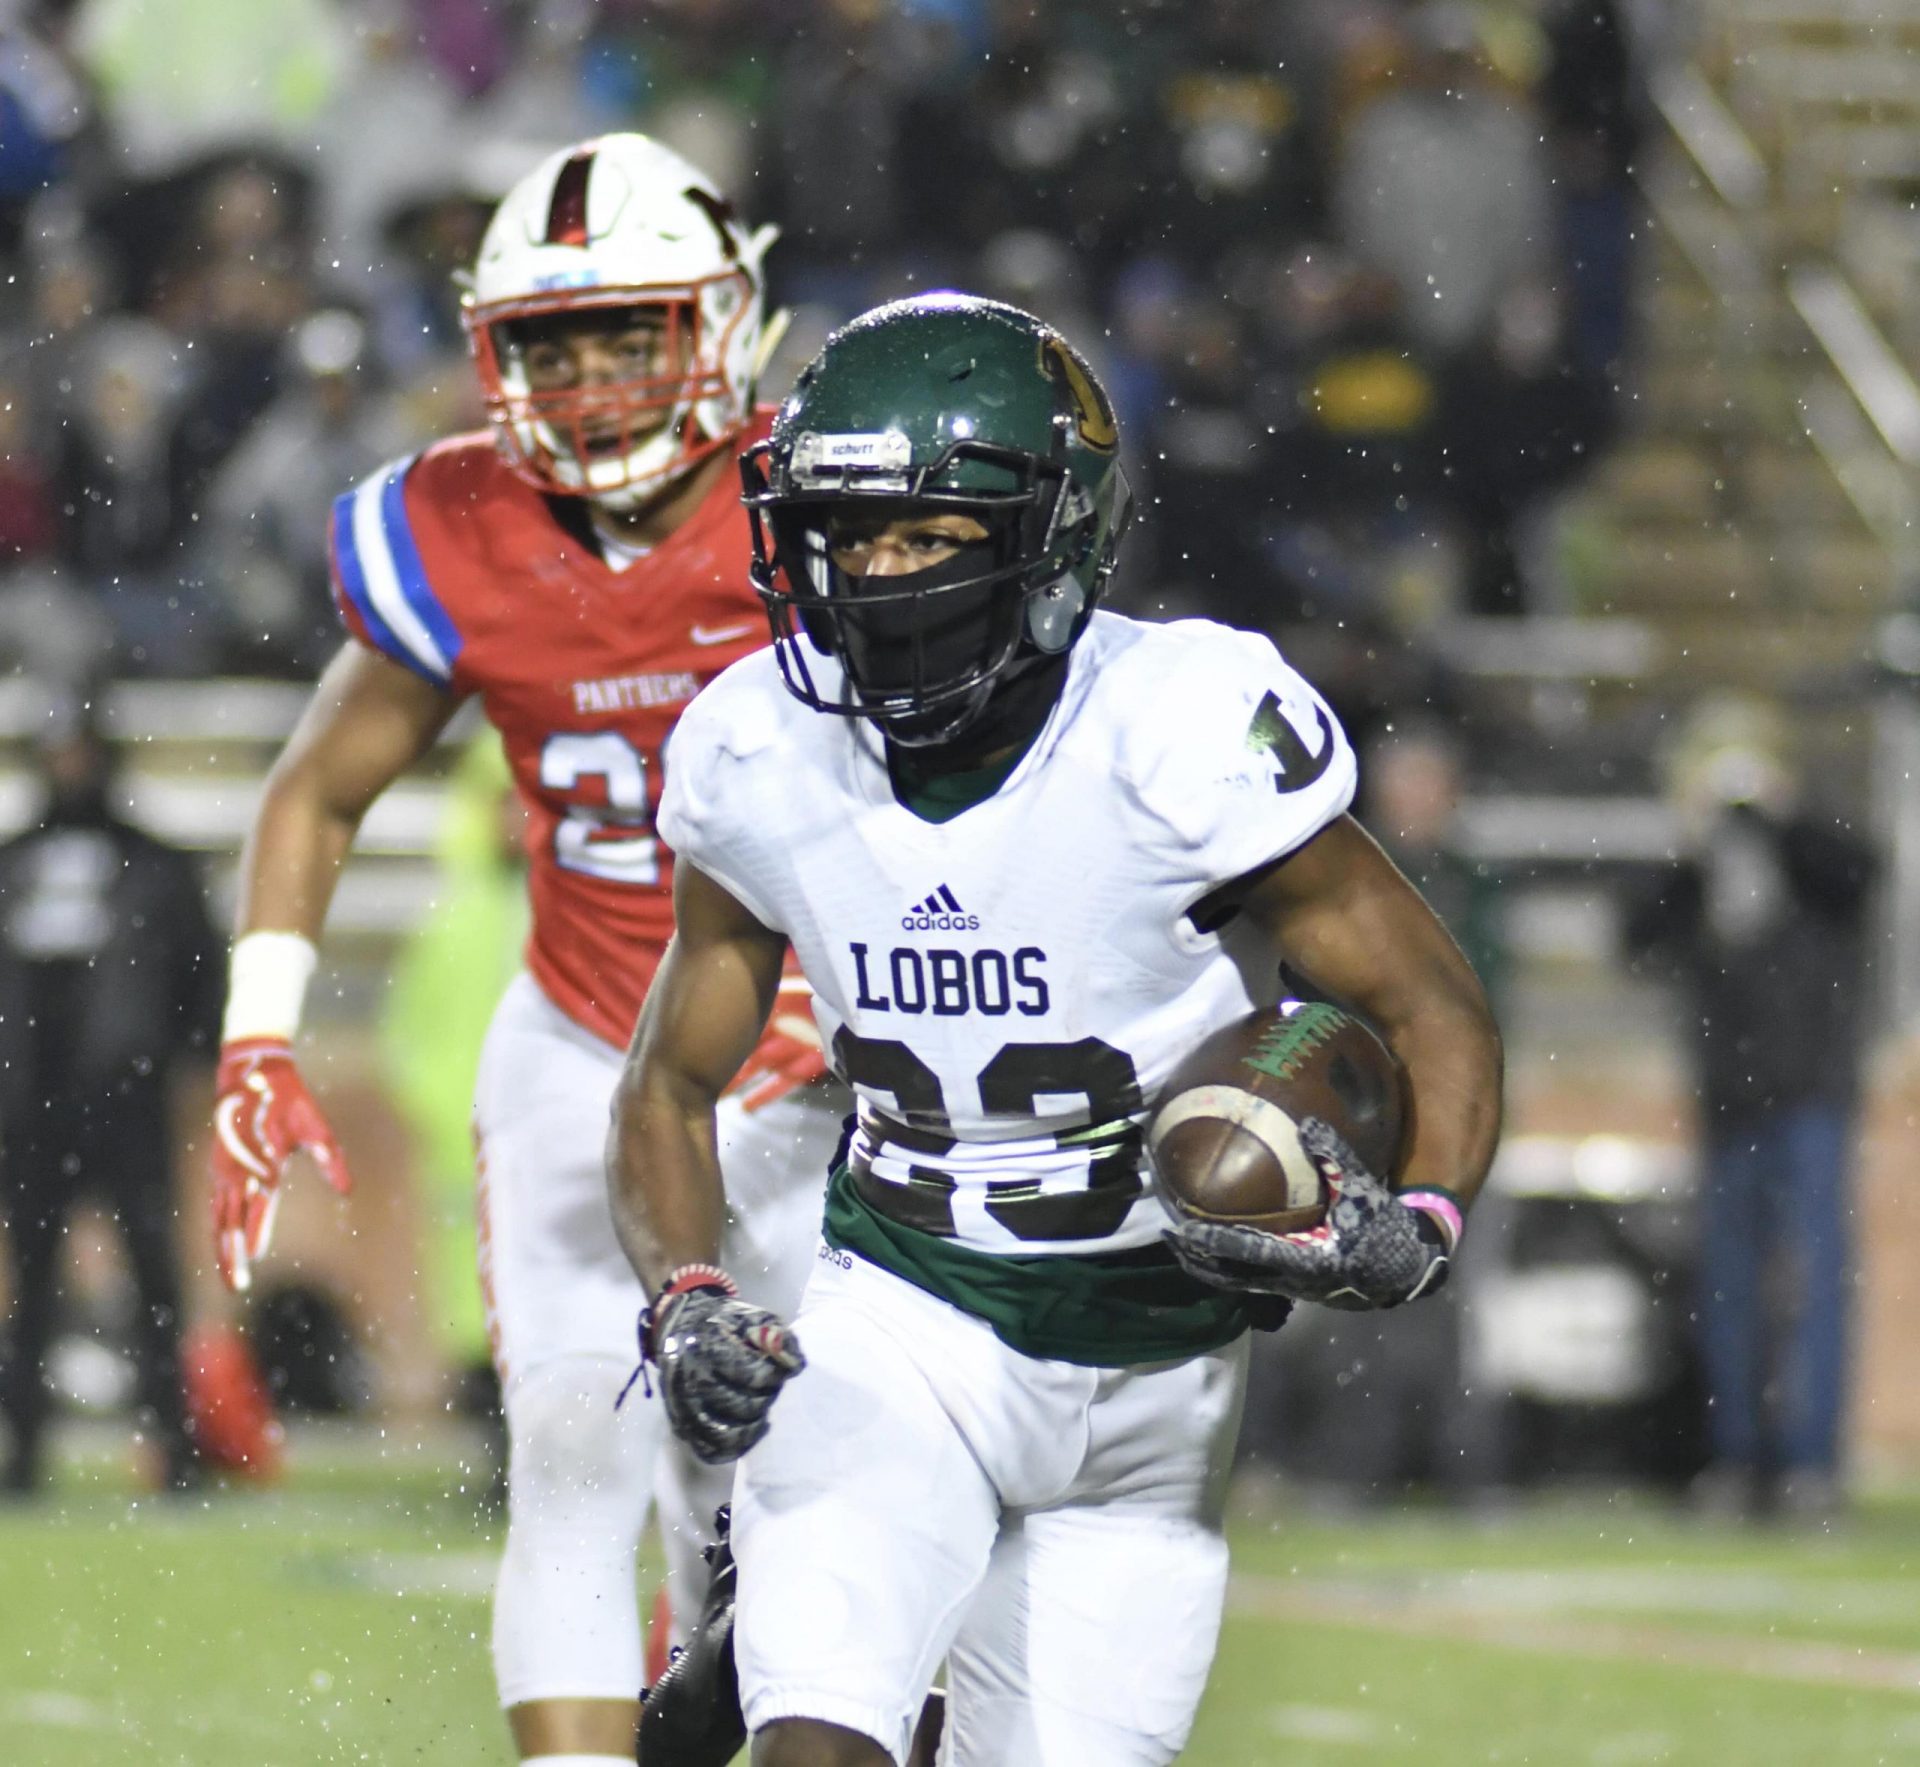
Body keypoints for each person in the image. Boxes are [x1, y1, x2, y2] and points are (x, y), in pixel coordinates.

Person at [608, 293, 1504, 1766]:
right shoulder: (758, 749)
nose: (876, 578)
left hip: (1160, 1384)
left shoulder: (1177, 728)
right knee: (815, 1745)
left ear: (1052, 540)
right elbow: (669, 1077)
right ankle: (788, 1631)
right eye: (849, 535)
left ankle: (801, 1624)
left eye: (928, 536)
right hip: (908, 1311)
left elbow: (1427, 1000)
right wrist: (690, 1291)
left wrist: (1423, 1217)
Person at [205, 133, 843, 1766]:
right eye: (552, 344)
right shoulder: (460, 522)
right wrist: (261, 1032)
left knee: (807, 1501)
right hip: (587, 1052)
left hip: (822, 1065)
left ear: (722, 320)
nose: (594, 381)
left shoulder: (838, 498)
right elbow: (318, 788)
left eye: (630, 332)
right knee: (573, 1441)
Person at [1625, 697, 1875, 1519]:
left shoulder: (1811, 850)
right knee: (1727, 1288)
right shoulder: (1701, 867)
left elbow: (1859, 875)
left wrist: (1781, 818)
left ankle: (1810, 1462)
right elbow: (1635, 934)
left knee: (1814, 1284)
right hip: (1729, 1102)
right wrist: (1695, 846)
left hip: (1809, 1095)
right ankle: (1736, 1455)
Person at [0, 682, 223, 1495]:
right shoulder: (15, 861)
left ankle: (174, 1443)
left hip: (125, 1101)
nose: (70, 768)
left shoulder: (154, 866)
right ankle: (23, 1450)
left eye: (81, 752)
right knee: (30, 1283)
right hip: (33, 1107)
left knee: (155, 1280)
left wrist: (193, 1073)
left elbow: (201, 976)